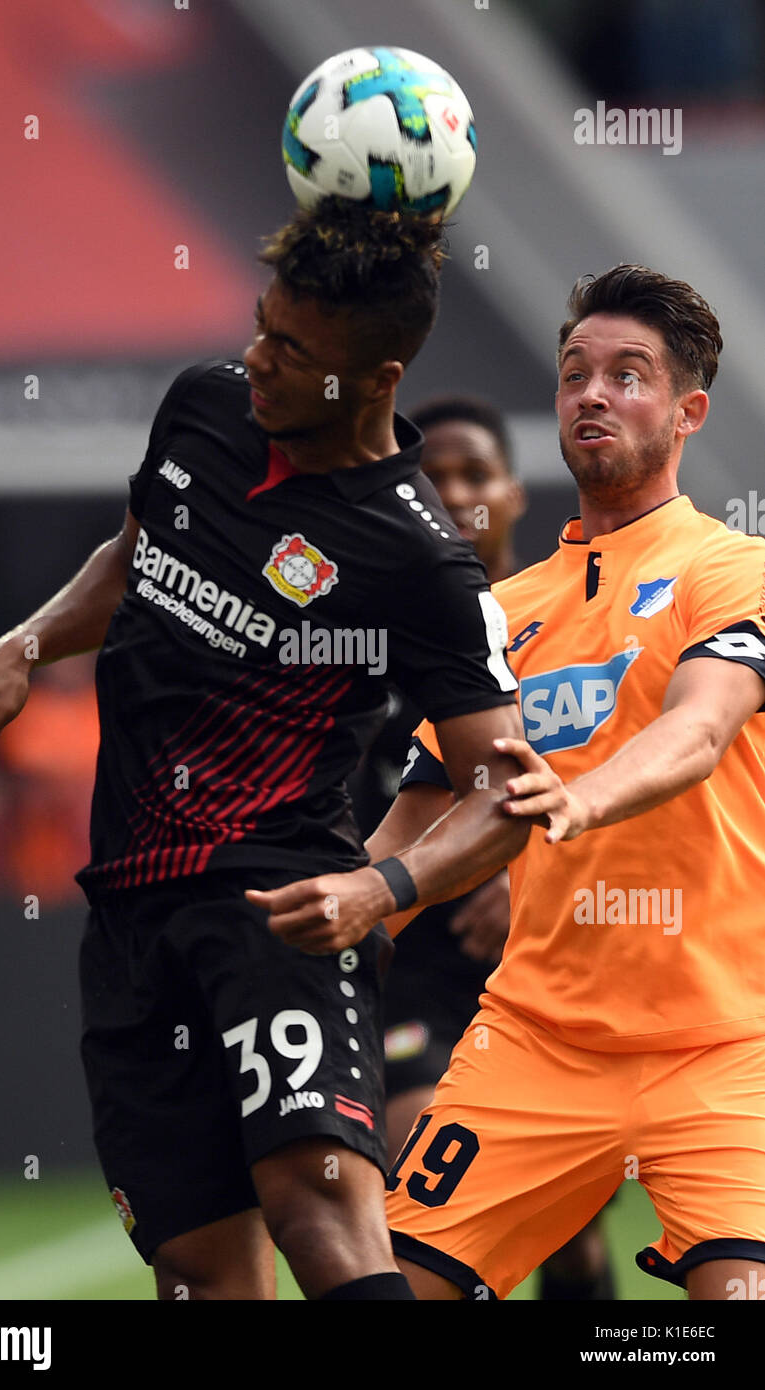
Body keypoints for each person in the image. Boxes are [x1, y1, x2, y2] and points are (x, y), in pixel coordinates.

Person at [0, 197, 532, 1301]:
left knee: (321, 1212)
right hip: (132, 918)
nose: (257, 359)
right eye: (259, 326)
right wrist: (25, 643)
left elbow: (506, 786)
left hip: (273, 904)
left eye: (291, 349)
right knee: (199, 1272)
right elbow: (137, 551)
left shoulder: (418, 556)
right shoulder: (205, 408)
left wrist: (380, 890)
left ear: (374, 378)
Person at [256, 264, 765, 1302]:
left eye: (629, 376)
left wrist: (579, 799)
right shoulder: (502, 614)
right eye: (576, 372)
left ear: (686, 411)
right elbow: (425, 810)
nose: (593, 393)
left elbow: (700, 729)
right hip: (533, 1041)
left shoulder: (733, 570)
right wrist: (344, 906)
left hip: (725, 1044)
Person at [371, 395, 614, 1301]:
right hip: (421, 982)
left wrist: (528, 872)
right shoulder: (371, 655)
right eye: (430, 477)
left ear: (513, 491)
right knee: (424, 1203)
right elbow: (373, 824)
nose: (455, 492)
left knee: (574, 1247)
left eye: (474, 472)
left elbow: (647, 787)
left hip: (571, 972)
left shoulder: (583, 631)